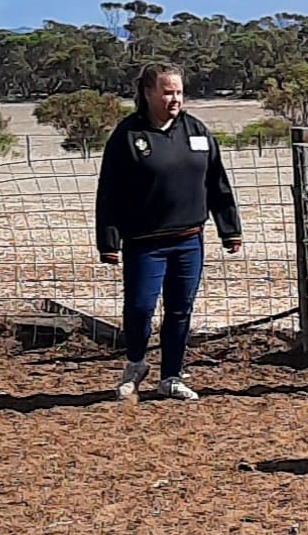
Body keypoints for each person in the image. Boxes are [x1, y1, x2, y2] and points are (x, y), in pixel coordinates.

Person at [95, 62, 243, 401]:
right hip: (144, 242)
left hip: (189, 240)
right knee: (140, 307)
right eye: (167, 92)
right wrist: (109, 240)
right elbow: (110, 191)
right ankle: (135, 364)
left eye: (178, 91)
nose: (174, 99)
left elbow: (216, 181)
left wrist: (229, 228)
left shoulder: (197, 131)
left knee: (180, 310)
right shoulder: (128, 135)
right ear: (148, 93)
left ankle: (171, 376)